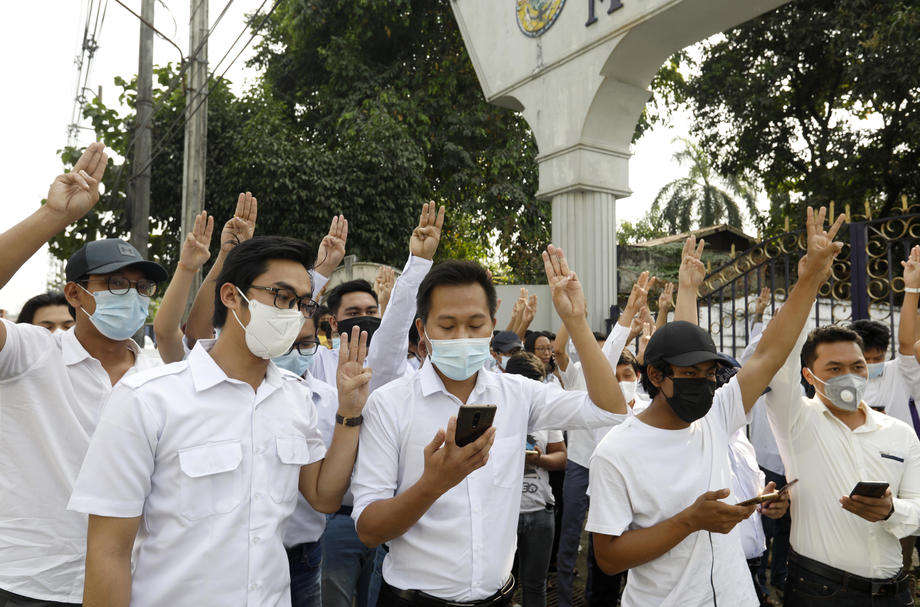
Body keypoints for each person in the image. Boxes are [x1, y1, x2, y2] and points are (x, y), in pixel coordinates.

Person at [68, 236, 374, 607]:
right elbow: (108, 550)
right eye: (280, 296)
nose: (292, 313)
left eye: (301, 303)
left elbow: (324, 497)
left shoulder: (296, 398)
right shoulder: (148, 399)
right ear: (231, 296)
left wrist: (350, 411)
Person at [587, 207, 846, 606]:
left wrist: (809, 278)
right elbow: (607, 557)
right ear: (656, 376)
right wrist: (690, 521)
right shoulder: (616, 452)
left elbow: (771, 353)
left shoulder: (715, 417)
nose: (705, 385)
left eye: (711, 374)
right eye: (691, 374)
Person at [351, 245, 630, 607]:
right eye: (447, 326)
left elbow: (610, 410)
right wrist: (434, 484)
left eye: (475, 324)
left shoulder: (517, 394)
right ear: (423, 329)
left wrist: (575, 321)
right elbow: (369, 529)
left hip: (498, 597)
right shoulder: (389, 405)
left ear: (492, 326)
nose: (462, 336)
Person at [0, 143, 170, 607]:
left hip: (133, 585)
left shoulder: (161, 377)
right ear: (75, 294)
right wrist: (54, 216)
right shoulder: (29, 354)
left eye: (141, 286)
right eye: (115, 284)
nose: (132, 296)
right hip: (32, 584)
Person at [760, 246, 920, 606]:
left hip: (894, 593)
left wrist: (894, 511)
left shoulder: (899, 432)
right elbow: (779, 354)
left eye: (858, 366)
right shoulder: (796, 419)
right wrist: (809, 282)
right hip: (821, 592)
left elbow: (918, 507)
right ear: (809, 375)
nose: (850, 377)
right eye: (834, 369)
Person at [317, 203, 444, 607]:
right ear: (332, 324)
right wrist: (317, 272)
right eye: (353, 314)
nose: (366, 320)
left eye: (372, 313)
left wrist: (417, 265)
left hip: (389, 519)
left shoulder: (389, 369)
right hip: (335, 522)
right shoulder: (313, 361)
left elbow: (390, 339)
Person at [552, 272, 652, 607]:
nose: (619, 380)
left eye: (627, 376)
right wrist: (574, 317)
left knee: (618, 541)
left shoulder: (641, 400)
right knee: (572, 538)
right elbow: (578, 353)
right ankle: (567, 598)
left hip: (622, 472)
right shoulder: (582, 374)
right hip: (582, 466)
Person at [503, 352, 566, 607]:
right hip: (505, 513)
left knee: (535, 584)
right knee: (501, 585)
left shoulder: (546, 416)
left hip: (541, 511)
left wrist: (538, 459)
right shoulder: (496, 414)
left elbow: (561, 457)